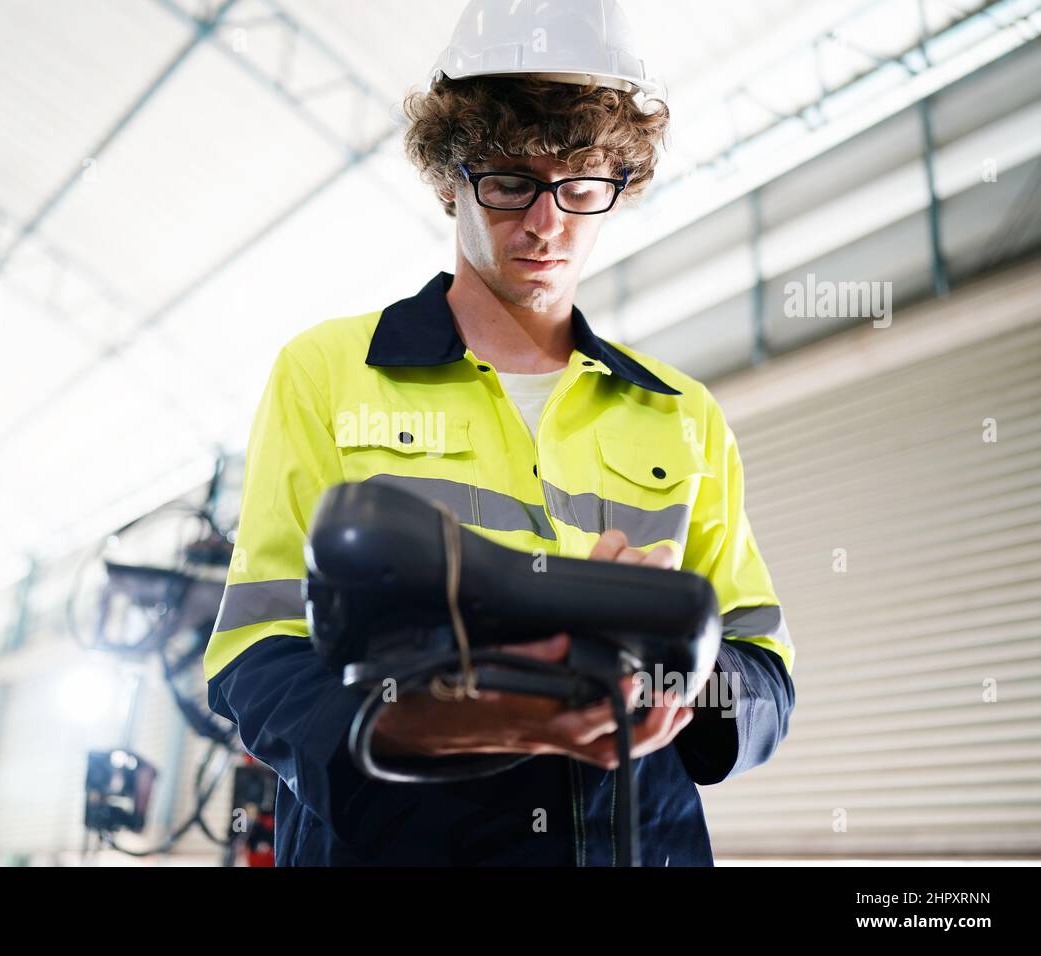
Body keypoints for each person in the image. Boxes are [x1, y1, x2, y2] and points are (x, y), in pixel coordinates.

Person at [205, 0, 795, 866]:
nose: (548, 222)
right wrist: (456, 722)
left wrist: (664, 660)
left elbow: (766, 681)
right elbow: (258, 655)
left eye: (582, 183)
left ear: (618, 186)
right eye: (511, 180)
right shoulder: (330, 372)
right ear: (451, 176)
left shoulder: (681, 412)